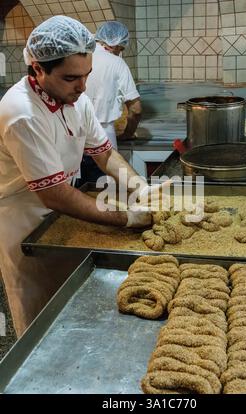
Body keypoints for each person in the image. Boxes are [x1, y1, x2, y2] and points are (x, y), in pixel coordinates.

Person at [0, 16, 151, 338]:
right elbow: (53, 193)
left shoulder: (75, 100)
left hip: (61, 210)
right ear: (38, 69)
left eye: (86, 76)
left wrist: (141, 187)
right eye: (71, 78)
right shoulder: (23, 114)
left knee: (70, 298)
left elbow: (105, 154)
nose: (83, 87)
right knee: (39, 304)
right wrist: (127, 218)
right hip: (22, 217)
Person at [78, 20, 142, 185]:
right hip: (103, 138)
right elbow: (135, 109)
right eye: (121, 49)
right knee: (106, 195)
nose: (120, 52)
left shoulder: (79, 57)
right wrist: (128, 133)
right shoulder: (117, 63)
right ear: (116, 45)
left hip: (74, 139)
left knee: (81, 193)